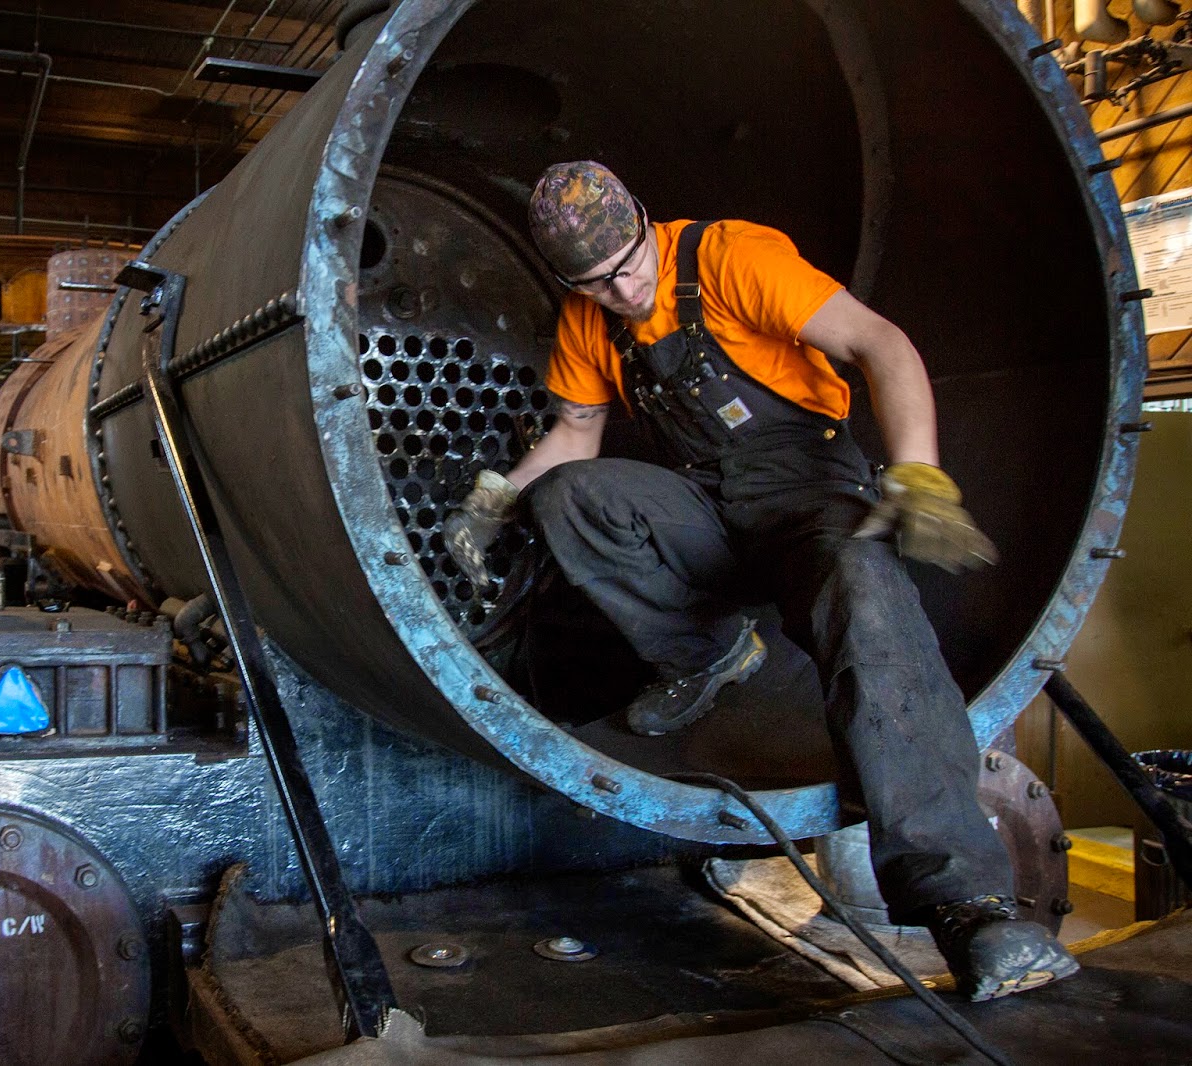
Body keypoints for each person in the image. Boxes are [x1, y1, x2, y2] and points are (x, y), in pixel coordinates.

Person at [446, 160, 1077, 1001]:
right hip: (707, 506)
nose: (624, 289)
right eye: (597, 282)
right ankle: (703, 656)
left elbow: (878, 343)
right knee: (570, 499)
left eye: (630, 263)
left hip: (807, 494)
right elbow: (573, 434)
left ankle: (972, 905)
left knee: (867, 597)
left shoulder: (733, 258)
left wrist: (919, 472)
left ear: (644, 220)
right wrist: (494, 504)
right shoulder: (588, 319)